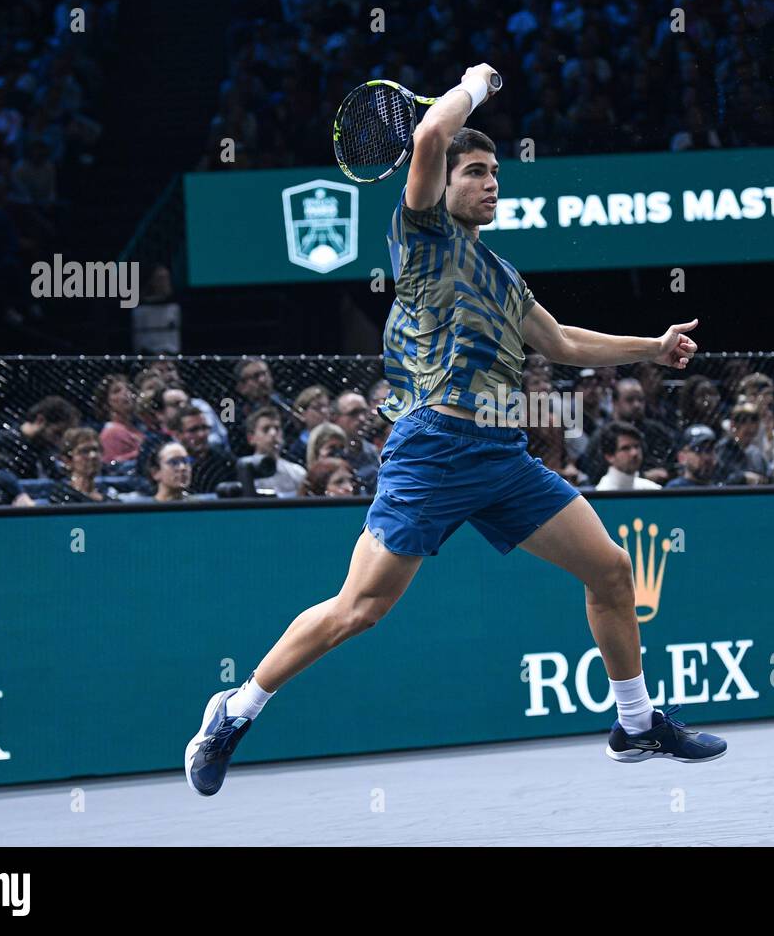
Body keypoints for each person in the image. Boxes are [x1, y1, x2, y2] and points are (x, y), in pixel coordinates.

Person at [185, 65, 724, 796]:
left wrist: (653, 347)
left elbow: (560, 342)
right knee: (360, 610)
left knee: (611, 570)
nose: (492, 182)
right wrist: (473, 81)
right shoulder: (422, 232)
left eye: (497, 172)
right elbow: (433, 130)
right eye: (476, 171)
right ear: (441, 182)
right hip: (432, 449)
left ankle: (635, 724)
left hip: (503, 453)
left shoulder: (500, 272)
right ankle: (235, 710)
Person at [594, 421, 662, 491]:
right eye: (625, 448)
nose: (634, 453)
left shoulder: (652, 489)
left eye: (636, 446)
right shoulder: (603, 493)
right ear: (609, 456)